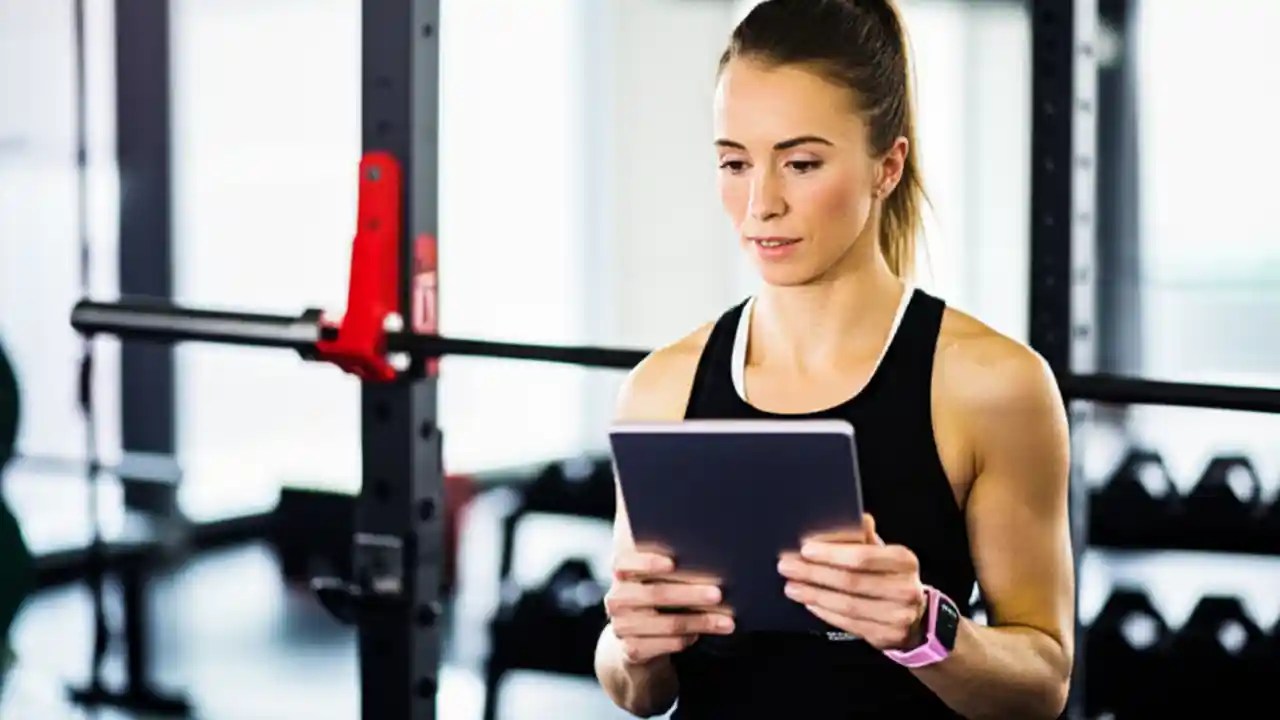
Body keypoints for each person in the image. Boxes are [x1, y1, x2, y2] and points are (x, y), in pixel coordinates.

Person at [592, 0, 1075, 717]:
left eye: (802, 163)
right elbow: (638, 688)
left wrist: (921, 630)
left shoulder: (993, 387)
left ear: (888, 166)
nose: (761, 203)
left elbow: (1043, 683)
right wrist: (631, 644)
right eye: (734, 162)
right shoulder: (661, 388)